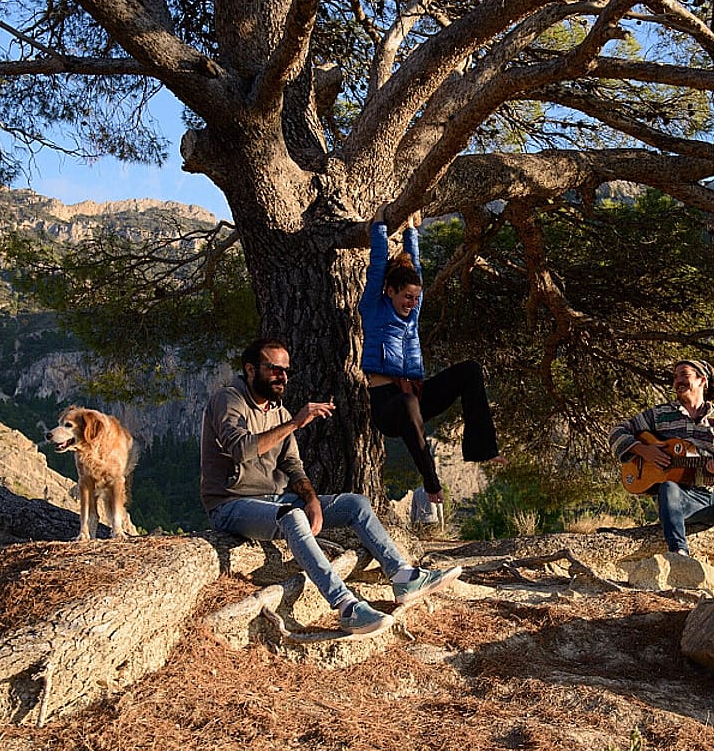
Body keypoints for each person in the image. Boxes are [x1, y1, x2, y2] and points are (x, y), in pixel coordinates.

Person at [200, 338, 462, 635]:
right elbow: (241, 450)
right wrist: (296, 424)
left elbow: (293, 465)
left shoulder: (278, 412)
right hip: (230, 505)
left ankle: (403, 576)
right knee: (292, 516)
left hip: (275, 499)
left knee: (355, 504)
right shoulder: (228, 400)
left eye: (286, 371)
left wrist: (312, 500)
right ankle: (346, 607)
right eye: (274, 369)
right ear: (250, 369)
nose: (283, 377)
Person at [360, 204, 504, 514]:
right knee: (407, 404)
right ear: (390, 291)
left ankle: (483, 448)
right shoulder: (373, 308)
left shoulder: (412, 315)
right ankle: (431, 482)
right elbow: (377, 266)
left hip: (417, 393)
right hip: (388, 405)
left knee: (469, 371)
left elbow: (417, 268)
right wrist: (380, 226)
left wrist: (412, 229)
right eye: (406, 297)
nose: (412, 303)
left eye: (416, 298)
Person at [608, 360, 714, 598]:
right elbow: (617, 431)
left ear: (702, 380)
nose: (678, 381)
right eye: (675, 377)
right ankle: (679, 555)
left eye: (684, 375)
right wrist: (644, 450)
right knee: (668, 486)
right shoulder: (659, 415)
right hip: (680, 499)